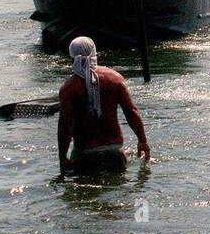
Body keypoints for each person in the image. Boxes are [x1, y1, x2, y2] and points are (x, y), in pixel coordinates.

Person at [57, 36, 151, 174]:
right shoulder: (115, 79)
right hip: (115, 151)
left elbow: (65, 126)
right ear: (95, 53)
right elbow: (131, 111)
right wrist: (142, 140)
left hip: (85, 154)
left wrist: (62, 158)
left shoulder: (69, 88)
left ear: (72, 58)